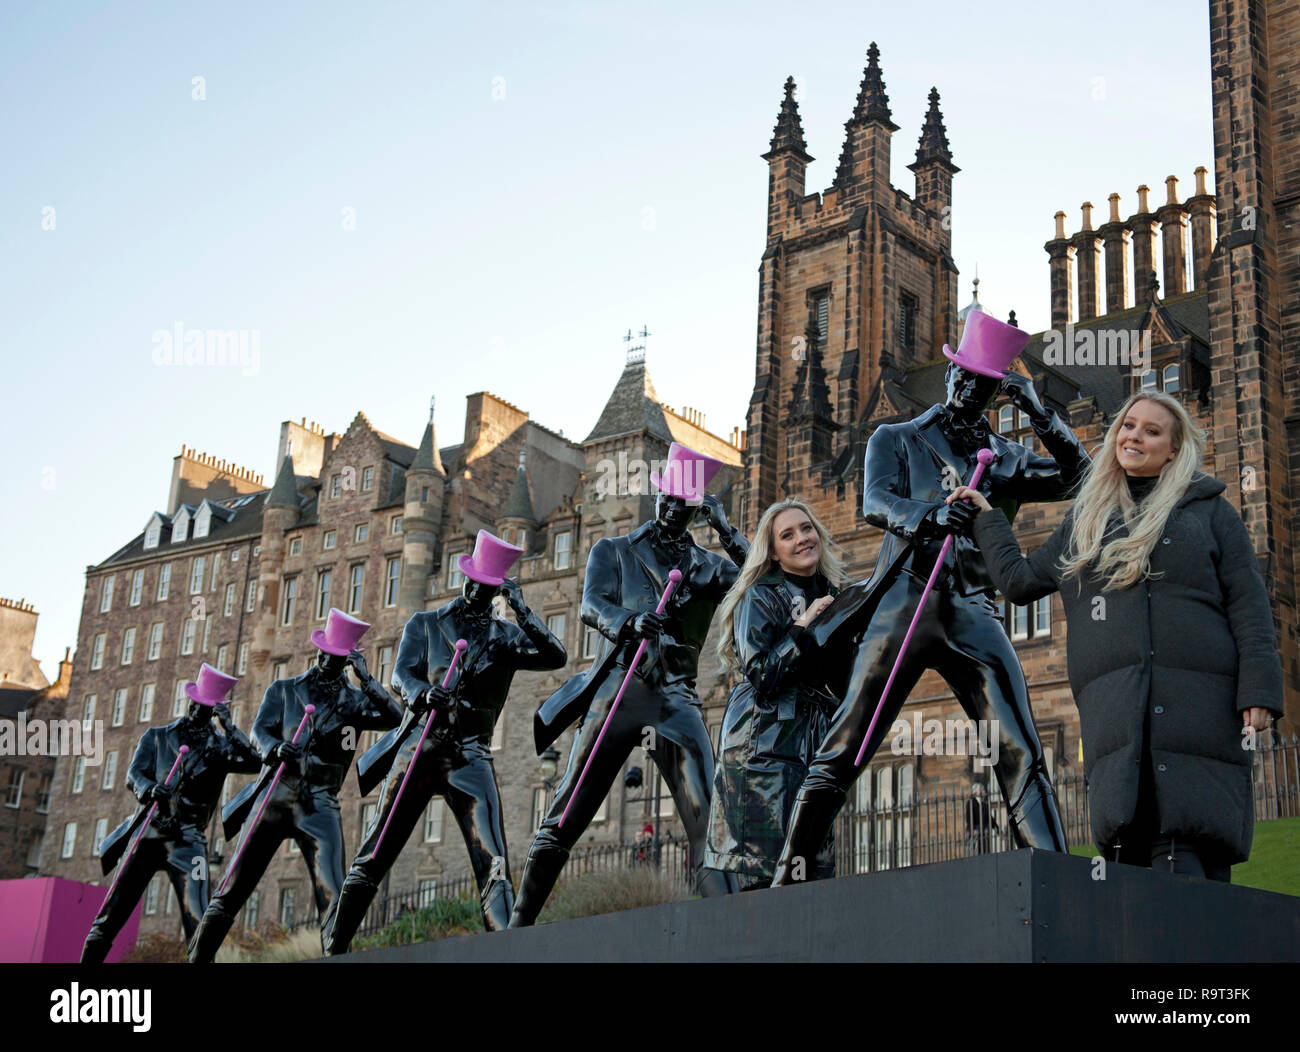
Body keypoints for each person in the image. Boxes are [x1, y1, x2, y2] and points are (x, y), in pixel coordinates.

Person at [773, 310, 1088, 886]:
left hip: (973, 608)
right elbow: (874, 501)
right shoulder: (895, 437)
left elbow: (1083, 481)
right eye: (961, 376)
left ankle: (1061, 882)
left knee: (1018, 748)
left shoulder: (1004, 455)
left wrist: (1042, 415)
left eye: (983, 384)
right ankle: (787, 879)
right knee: (848, 743)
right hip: (903, 603)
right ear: (948, 376)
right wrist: (933, 514)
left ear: (997, 392)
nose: (968, 388)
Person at [952, 390, 1283, 881]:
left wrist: (1258, 692)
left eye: (1152, 431)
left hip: (1201, 702)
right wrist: (986, 516)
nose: (1135, 436)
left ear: (1173, 450)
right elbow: (1020, 581)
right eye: (1129, 426)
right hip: (1116, 709)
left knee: (1190, 849)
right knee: (1128, 852)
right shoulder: (1087, 518)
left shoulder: (1211, 513)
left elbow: (1250, 608)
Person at [510, 441, 749, 926]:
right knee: (566, 816)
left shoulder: (710, 567)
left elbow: (759, 580)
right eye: (664, 496)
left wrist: (724, 528)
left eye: (681, 503)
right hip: (619, 691)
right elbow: (591, 605)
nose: (667, 508)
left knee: (708, 820)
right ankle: (516, 927)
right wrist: (628, 620)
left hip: (676, 702)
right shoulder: (612, 550)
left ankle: (734, 926)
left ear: (695, 508)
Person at [321, 530, 566, 953]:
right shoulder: (425, 624)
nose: (477, 590)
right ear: (464, 577)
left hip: (471, 755)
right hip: (421, 746)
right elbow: (401, 675)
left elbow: (555, 656)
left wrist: (523, 611)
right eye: (473, 581)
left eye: (487, 587)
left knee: (494, 862)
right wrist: (421, 692)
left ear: (497, 590)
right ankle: (334, 945)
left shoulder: (505, 636)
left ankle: (507, 949)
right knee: (375, 853)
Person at [187, 609, 403, 962]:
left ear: (345, 659)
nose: (324, 661)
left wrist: (368, 681)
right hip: (276, 796)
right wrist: (274, 747)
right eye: (322, 653)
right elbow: (259, 732)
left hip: (321, 805)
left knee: (335, 898)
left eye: (334, 657)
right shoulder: (284, 690)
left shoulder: (355, 701)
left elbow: (396, 720)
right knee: (230, 890)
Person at [705, 498, 844, 889]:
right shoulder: (760, 595)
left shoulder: (834, 595)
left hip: (813, 739)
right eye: (788, 534)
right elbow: (764, 675)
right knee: (767, 877)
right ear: (775, 551)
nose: (802, 538)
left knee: (814, 871)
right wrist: (800, 627)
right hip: (761, 744)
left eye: (806, 528)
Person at [81, 664, 259, 963]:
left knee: (199, 923)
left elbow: (254, 761)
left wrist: (230, 728)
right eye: (194, 702)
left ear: (214, 709)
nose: (195, 709)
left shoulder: (220, 748)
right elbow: (134, 774)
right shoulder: (158, 736)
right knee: (109, 918)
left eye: (204, 706)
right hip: (149, 835)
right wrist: (149, 789)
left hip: (189, 842)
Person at [964, 781, 992, 855]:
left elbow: (990, 819)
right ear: (976, 791)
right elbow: (968, 817)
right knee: (976, 852)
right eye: (982, 789)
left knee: (985, 851)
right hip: (975, 829)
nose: (984, 791)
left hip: (983, 831)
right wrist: (973, 829)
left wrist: (999, 831)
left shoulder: (984, 804)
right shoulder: (970, 802)